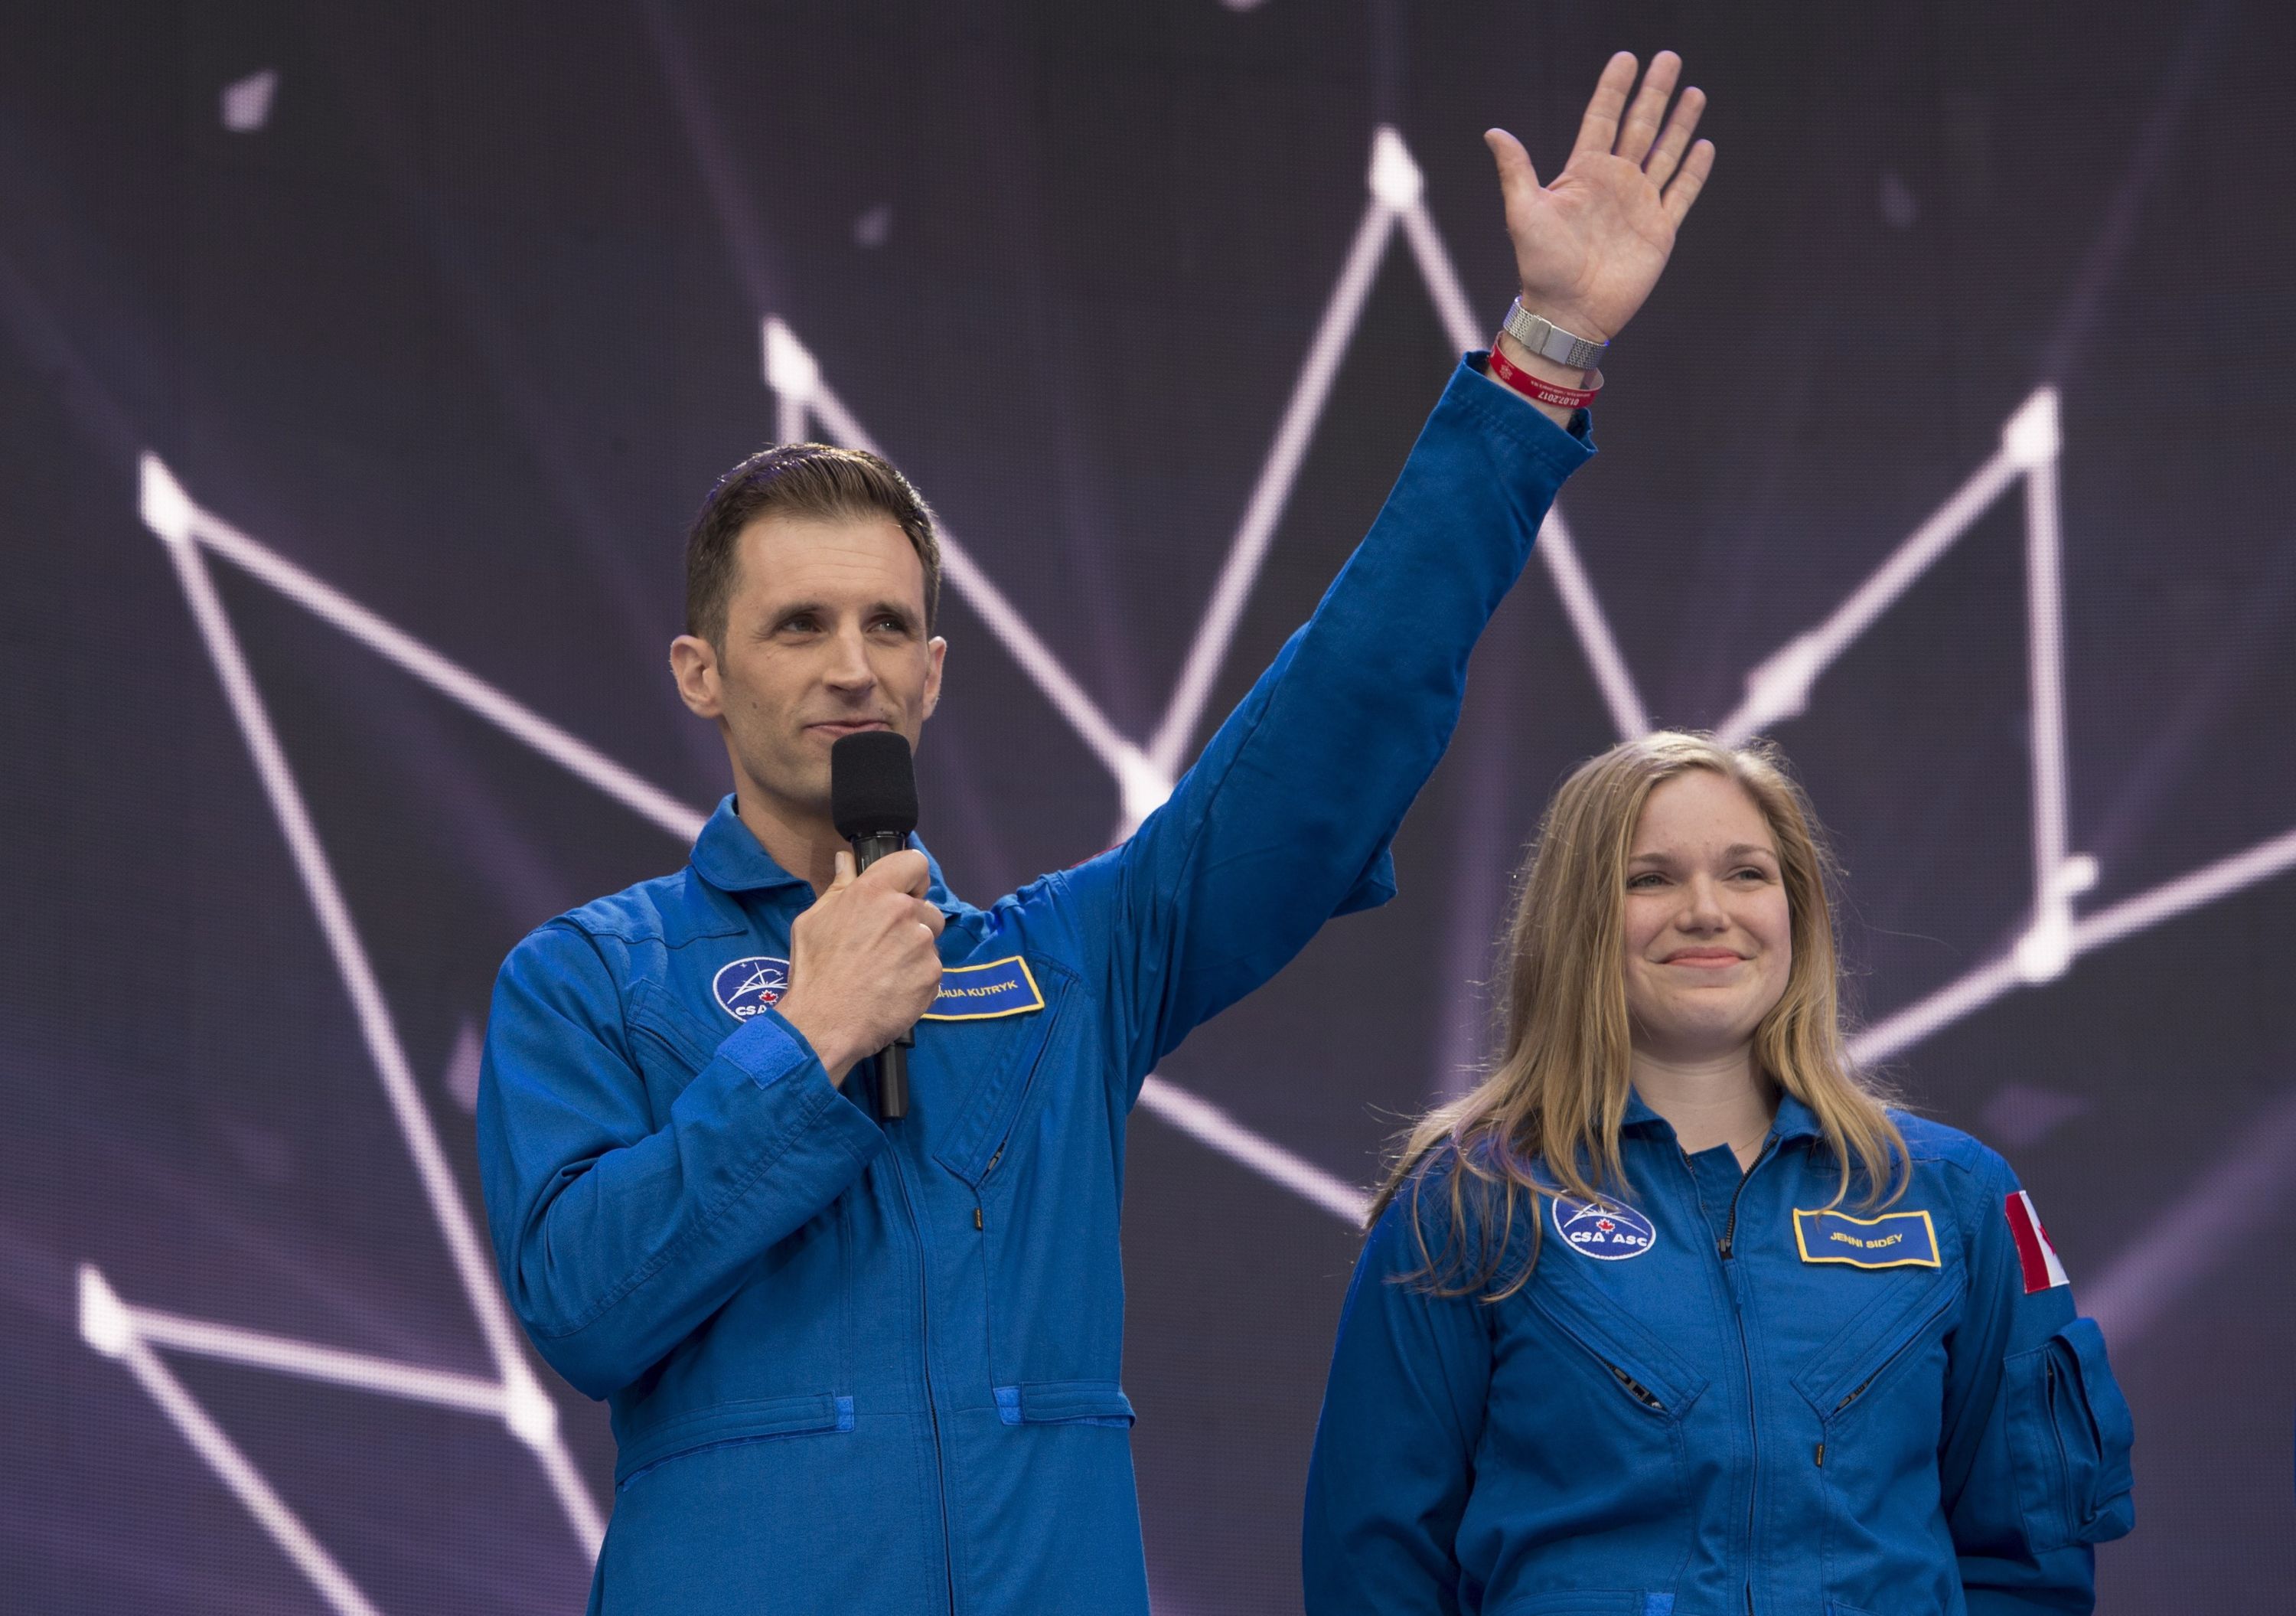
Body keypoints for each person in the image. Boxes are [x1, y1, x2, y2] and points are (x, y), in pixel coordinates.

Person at [478, 51, 1716, 1616]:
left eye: (887, 624)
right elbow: (585, 1308)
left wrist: (1543, 359)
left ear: (935, 670)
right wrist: (805, 1041)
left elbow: (1334, 716)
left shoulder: (1073, 961)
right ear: (700, 672)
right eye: (798, 625)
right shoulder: (587, 976)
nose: (851, 665)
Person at [1301, 733, 2137, 1615]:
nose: (1707, 910)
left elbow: (2030, 1564)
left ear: (1796, 909)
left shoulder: (1956, 1195)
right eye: (1650, 878)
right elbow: (1373, 1571)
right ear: (1578, 918)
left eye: (1746, 873)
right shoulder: (1469, 1200)